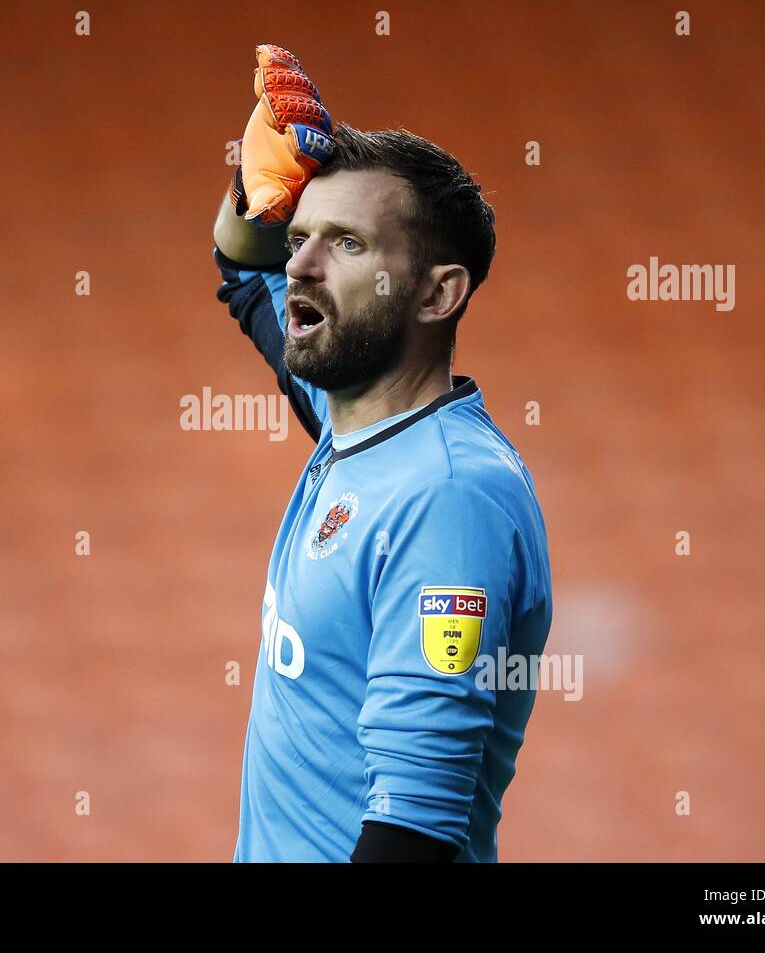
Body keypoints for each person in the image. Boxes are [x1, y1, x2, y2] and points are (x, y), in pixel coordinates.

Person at [211, 45, 554, 862]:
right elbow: (239, 265)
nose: (299, 264)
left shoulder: (447, 500)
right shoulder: (352, 417)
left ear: (438, 293)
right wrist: (257, 183)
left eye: (348, 245)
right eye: (299, 238)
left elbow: (412, 834)